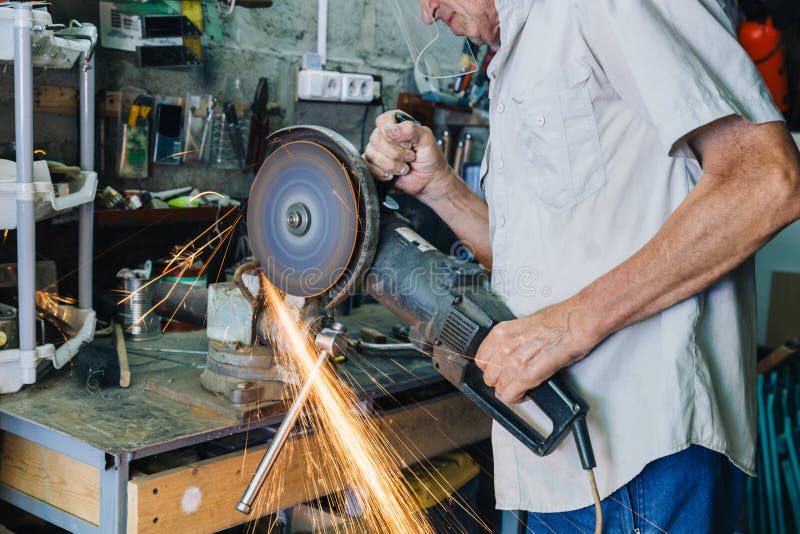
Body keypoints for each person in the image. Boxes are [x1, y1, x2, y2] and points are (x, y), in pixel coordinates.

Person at [364, 0, 800, 531]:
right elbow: (538, 268)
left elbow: (764, 182)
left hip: (643, 460)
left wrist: (568, 325)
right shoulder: (517, 55)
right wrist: (442, 191)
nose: (429, 12)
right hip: (547, 457)